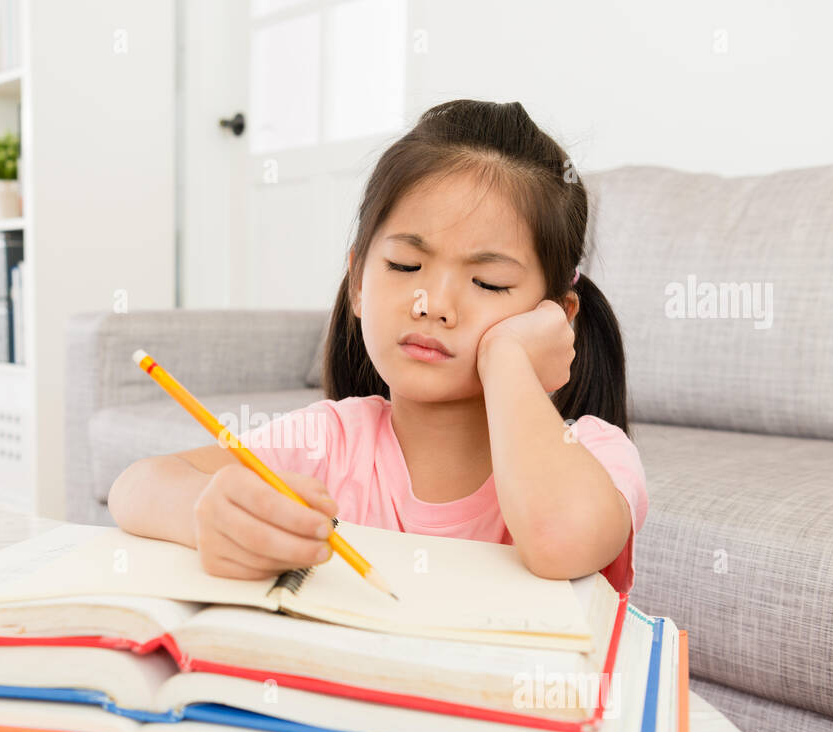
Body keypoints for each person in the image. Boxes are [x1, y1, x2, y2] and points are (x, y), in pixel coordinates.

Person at [109, 99, 647, 593]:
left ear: (556, 317)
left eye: (488, 283)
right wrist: (204, 511)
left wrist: (507, 359)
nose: (432, 304)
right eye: (405, 266)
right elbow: (136, 486)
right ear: (359, 284)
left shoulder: (595, 453)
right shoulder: (331, 441)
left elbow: (559, 540)